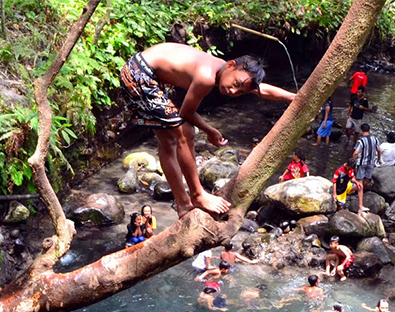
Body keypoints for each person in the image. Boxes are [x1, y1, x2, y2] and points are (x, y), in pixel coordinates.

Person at [120, 43, 295, 217]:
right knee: (185, 133)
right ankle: (197, 195)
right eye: (236, 84)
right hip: (140, 74)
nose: (233, 91)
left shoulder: (224, 69)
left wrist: (293, 97)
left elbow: (261, 89)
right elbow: (186, 113)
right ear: (231, 65)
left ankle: (183, 205)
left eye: (240, 92)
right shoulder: (206, 77)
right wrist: (210, 130)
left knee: (168, 141)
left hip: (141, 71)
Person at [352, 123, 379, 191]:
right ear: (369, 130)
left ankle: (357, 190)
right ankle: (362, 188)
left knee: (359, 178)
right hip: (371, 162)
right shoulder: (375, 139)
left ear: (361, 131)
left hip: (362, 163)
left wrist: (354, 160)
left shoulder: (361, 141)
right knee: (367, 178)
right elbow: (379, 150)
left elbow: (356, 153)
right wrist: (379, 159)